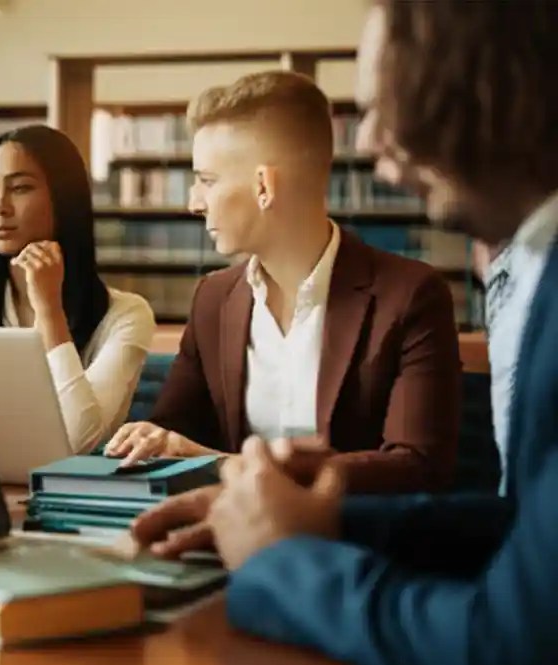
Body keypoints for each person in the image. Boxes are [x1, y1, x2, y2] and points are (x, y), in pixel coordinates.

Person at [131, 3, 558, 665]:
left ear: (481, 83)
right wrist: (315, 521)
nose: (369, 142)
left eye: (390, 99)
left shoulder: (489, 286)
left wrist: (282, 560)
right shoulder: (539, 273)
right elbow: (527, 527)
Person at [103, 70, 462, 494]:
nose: (194, 203)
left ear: (263, 186)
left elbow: (417, 468)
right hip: (221, 548)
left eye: (206, 180)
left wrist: (223, 465)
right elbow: (171, 434)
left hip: (352, 549)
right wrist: (150, 438)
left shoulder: (411, 296)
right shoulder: (214, 299)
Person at [0, 125, 156, 454]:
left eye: (20, 188)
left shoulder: (125, 314)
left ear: (64, 199)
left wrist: (49, 310)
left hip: (71, 497)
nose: (0, 208)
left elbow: (77, 440)